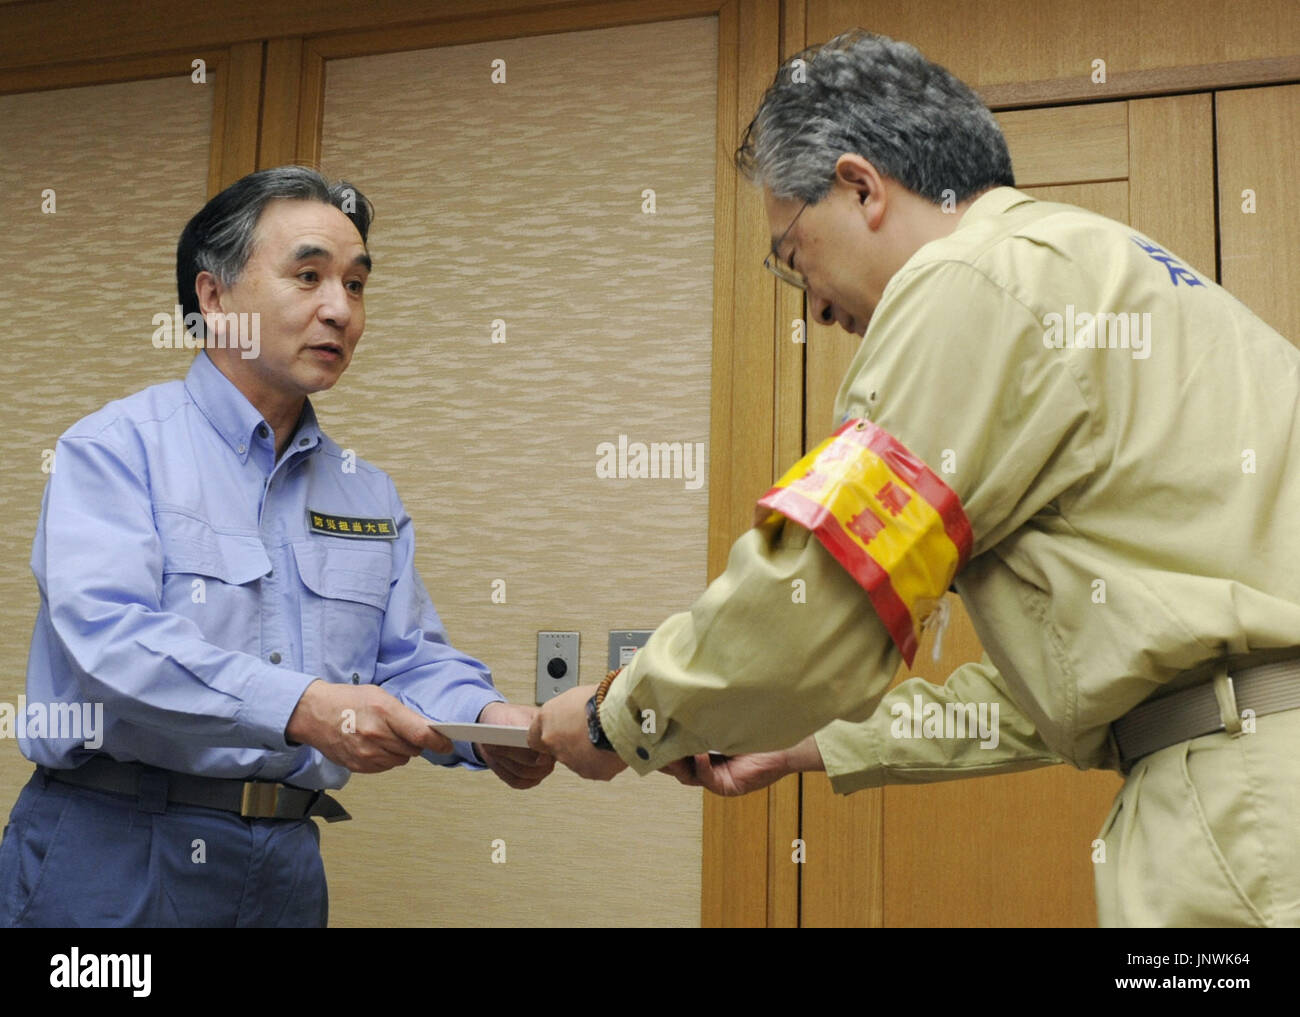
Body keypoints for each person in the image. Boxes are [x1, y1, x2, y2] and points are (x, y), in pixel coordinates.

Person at [530, 29, 1300, 928]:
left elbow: (815, 598)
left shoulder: (967, 282)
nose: (814, 305)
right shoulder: (1135, 276)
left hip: (1243, 823)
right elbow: (1057, 686)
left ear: (860, 186)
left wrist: (617, 718)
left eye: (792, 254)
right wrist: (808, 744)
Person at [0, 167, 553, 928]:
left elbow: (409, 661)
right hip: (115, 844)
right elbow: (112, 641)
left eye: (356, 285)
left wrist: (492, 724)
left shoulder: (367, 492)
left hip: (285, 863)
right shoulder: (115, 448)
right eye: (309, 275)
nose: (340, 309)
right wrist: (301, 705)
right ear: (216, 298)